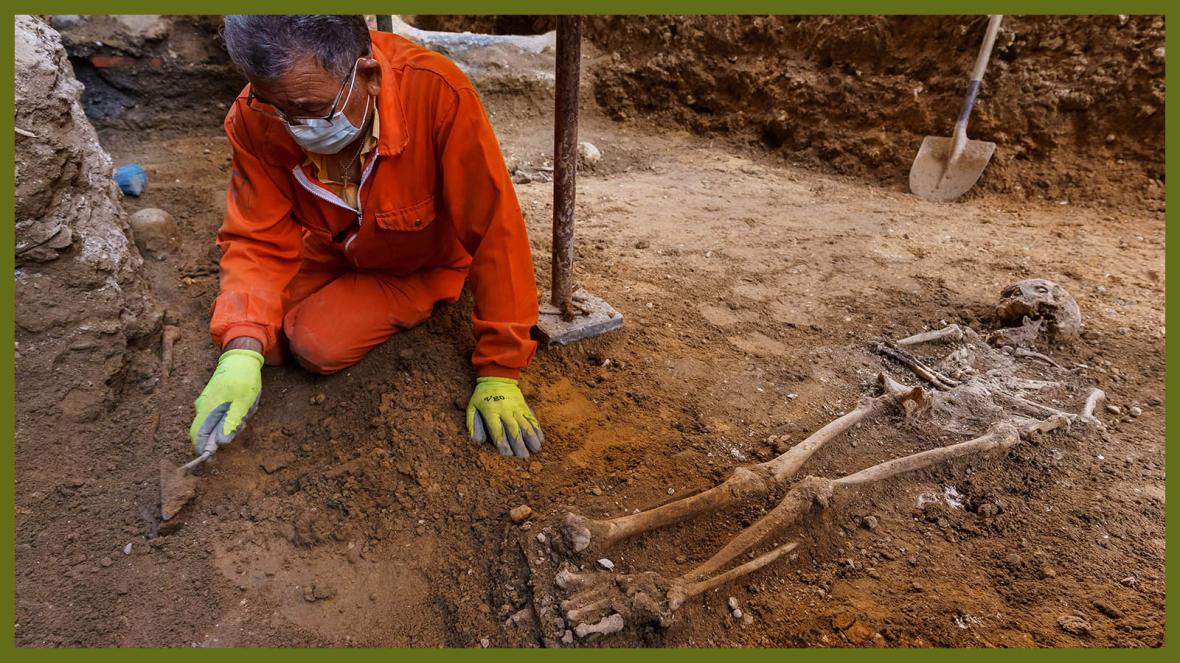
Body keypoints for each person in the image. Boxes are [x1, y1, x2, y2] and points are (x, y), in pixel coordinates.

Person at [189, 15, 543, 461]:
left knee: (315, 342)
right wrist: (240, 351)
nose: (295, 127)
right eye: (277, 108)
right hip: (334, 248)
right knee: (262, 342)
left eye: (309, 108)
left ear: (370, 76)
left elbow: (496, 231)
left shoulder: (438, 94)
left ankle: (437, 286)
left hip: (420, 260)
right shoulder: (257, 113)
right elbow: (255, 239)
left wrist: (500, 371)